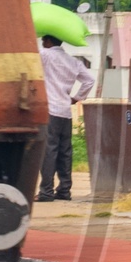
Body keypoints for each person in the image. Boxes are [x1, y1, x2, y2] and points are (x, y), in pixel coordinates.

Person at [39, 33, 95, 201]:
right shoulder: (74, 61)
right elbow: (89, 80)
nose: (42, 44)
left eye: (43, 41)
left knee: (49, 151)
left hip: (50, 110)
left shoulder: (45, 55)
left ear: (48, 41)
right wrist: (76, 98)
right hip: (65, 111)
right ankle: (64, 190)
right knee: (65, 151)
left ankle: (46, 192)